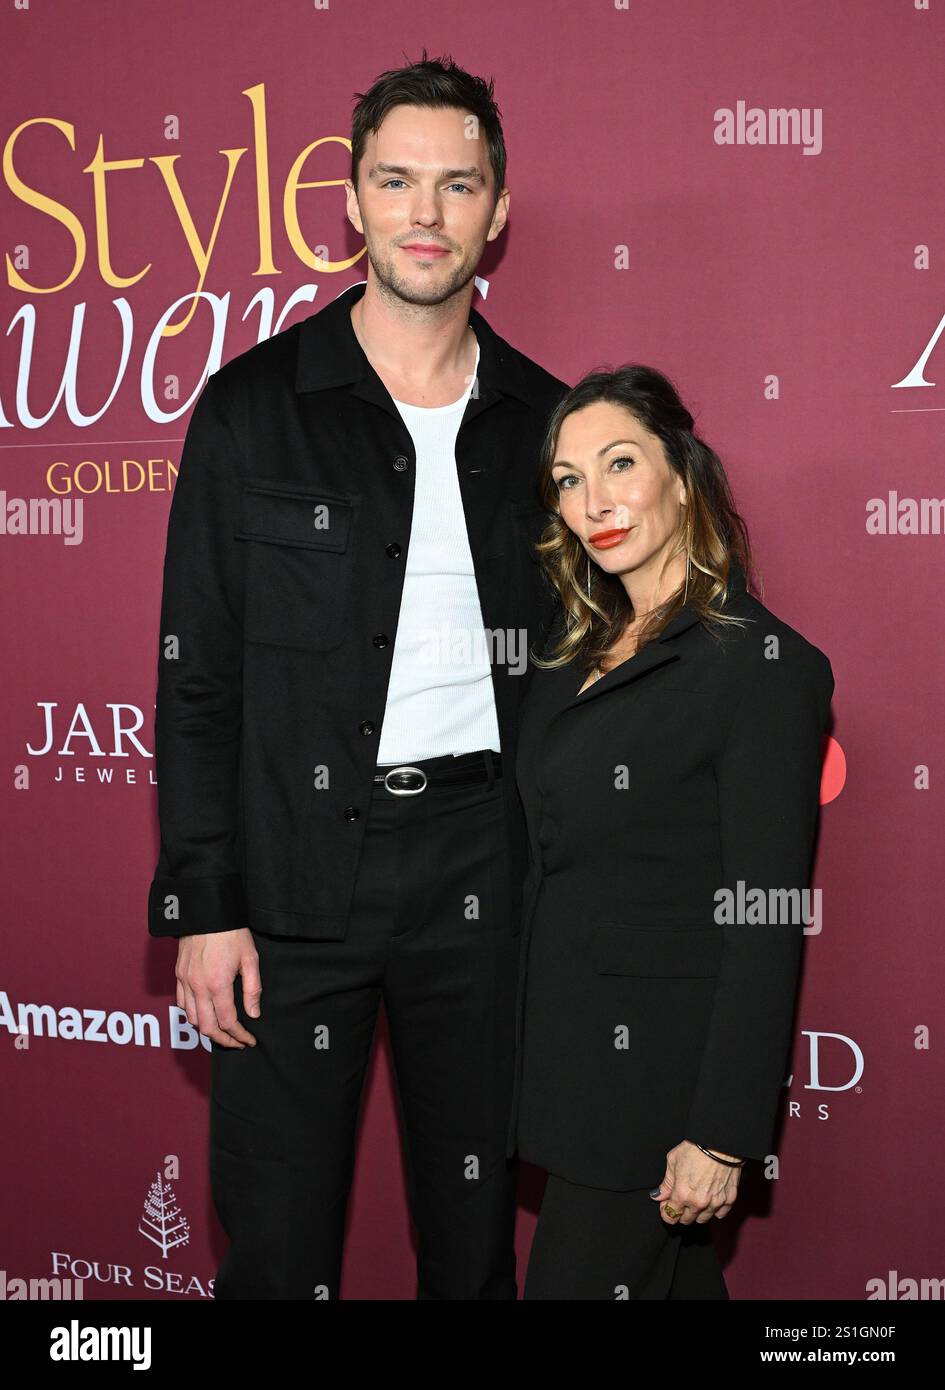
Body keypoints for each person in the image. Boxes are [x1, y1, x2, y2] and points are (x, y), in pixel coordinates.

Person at [147, 52, 568, 1298]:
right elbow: (198, 674)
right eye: (397, 181)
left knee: (473, 1249)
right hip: (290, 879)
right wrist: (204, 902)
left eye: (456, 185)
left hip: (484, 871)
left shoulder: (551, 426)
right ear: (351, 199)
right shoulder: (249, 410)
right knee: (275, 1251)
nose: (425, 214)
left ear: (498, 210)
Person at [507, 365, 834, 1299]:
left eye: (619, 464)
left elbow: (765, 913)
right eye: (568, 480)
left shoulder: (759, 665)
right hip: (566, 1070)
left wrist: (724, 1131)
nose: (592, 501)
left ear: (682, 477)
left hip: (654, 1093)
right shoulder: (574, 651)